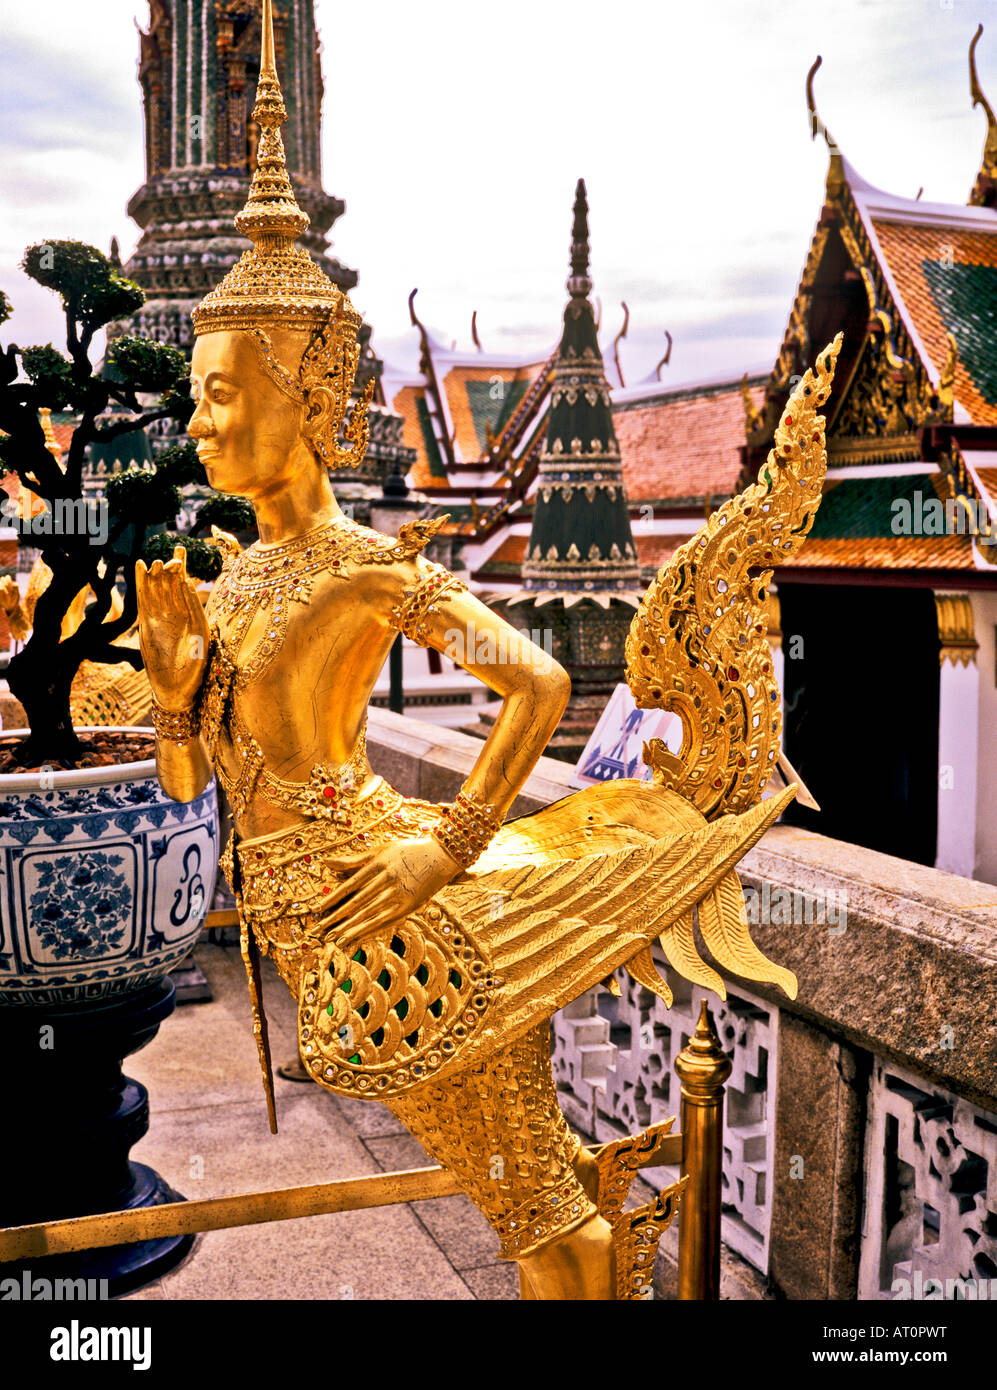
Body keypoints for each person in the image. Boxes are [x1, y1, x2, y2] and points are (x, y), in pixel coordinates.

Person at [136, 0, 829, 1300]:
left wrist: (438, 841)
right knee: (532, 1195)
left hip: (420, 939)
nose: (201, 417)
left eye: (224, 389)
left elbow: (542, 680)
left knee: (534, 1219)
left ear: (303, 393)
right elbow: (196, 806)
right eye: (196, 390)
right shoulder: (231, 580)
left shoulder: (361, 566)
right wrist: (179, 709)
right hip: (326, 950)